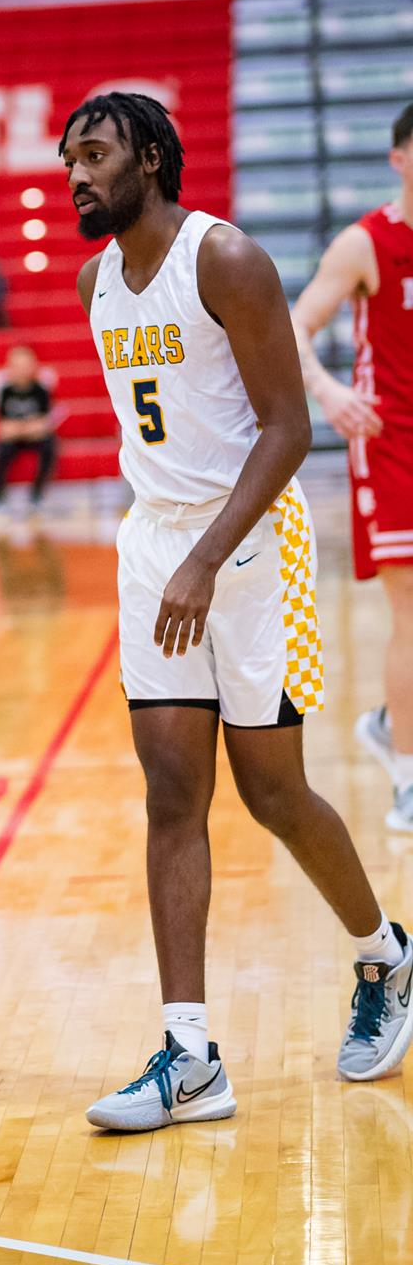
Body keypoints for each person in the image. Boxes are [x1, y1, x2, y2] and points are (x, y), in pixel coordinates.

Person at [60, 92, 411, 1133]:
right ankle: (190, 1054)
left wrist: (207, 557)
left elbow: (286, 425)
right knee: (171, 790)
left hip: (251, 542)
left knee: (272, 793)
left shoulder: (226, 262)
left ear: (153, 161)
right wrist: (170, 552)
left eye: (94, 155)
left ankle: (382, 956)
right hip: (155, 542)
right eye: (67, 159)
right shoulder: (92, 281)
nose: (75, 175)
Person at [290, 101, 413, 831]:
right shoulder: (367, 243)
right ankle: (407, 777)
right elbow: (296, 327)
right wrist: (330, 389)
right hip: (392, 439)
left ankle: (388, 721)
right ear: (399, 157)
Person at [0, 344, 58, 513]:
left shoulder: (41, 390)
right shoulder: (4, 391)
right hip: (14, 439)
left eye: (25, 365)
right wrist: (28, 427)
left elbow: (45, 424)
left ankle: (37, 496)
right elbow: (1, 428)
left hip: (33, 437)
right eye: (18, 366)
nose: (22, 371)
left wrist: (20, 428)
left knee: (50, 446)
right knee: (1, 450)